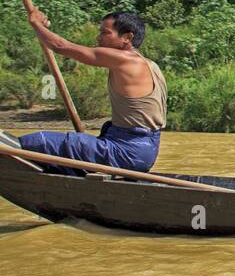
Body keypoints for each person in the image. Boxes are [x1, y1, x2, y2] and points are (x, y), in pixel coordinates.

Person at [17, 9, 167, 176]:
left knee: (39, 142)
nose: (98, 38)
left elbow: (61, 46)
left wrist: (36, 23)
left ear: (127, 38)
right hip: (141, 150)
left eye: (105, 32)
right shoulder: (150, 65)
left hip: (126, 151)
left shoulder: (126, 60)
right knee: (61, 153)